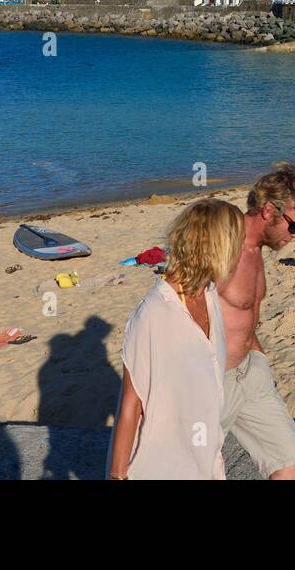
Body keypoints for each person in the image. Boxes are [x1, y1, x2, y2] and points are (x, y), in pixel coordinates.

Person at [109, 199, 242, 479]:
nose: (239, 252)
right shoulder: (153, 314)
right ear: (213, 247)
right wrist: (117, 476)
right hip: (160, 465)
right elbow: (130, 405)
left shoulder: (208, 295)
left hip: (204, 460)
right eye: (234, 243)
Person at [217, 163, 295, 480]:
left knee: (289, 462)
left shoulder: (257, 249)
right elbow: (174, 305)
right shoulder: (220, 245)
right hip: (212, 379)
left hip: (251, 371)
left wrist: (259, 359)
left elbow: (245, 313)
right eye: (293, 226)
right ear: (268, 211)